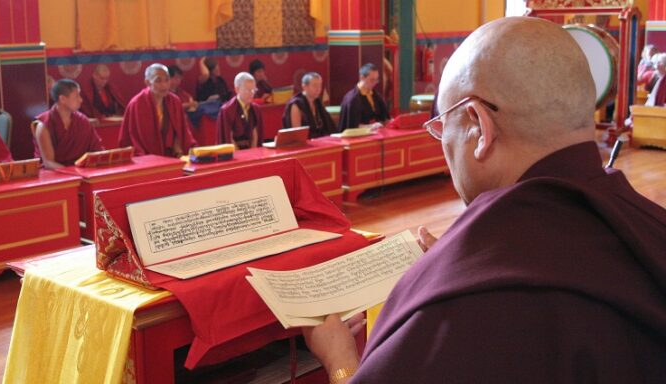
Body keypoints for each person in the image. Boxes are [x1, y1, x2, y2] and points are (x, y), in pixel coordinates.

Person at [303, 16, 666, 383]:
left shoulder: (461, 308)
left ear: (479, 127)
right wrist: (468, 262)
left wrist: (341, 361)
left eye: (443, 125)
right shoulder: (650, 226)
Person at [118, 63, 197, 157]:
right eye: (158, 81)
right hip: (146, 159)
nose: (164, 85)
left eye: (167, 80)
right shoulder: (137, 104)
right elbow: (131, 138)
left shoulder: (174, 101)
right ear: (147, 82)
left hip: (172, 156)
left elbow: (182, 130)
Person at [34, 79, 104, 169]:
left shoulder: (82, 120)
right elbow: (48, 162)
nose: (81, 100)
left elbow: (97, 150)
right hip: (55, 175)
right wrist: (72, 174)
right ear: (62, 99)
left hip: (80, 171)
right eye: (76, 96)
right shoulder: (44, 125)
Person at [216, 72, 264, 149]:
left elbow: (256, 135)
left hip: (252, 152)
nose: (252, 94)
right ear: (237, 89)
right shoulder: (227, 110)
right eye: (248, 90)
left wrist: (253, 152)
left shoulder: (256, 109)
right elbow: (228, 138)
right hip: (234, 153)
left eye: (253, 90)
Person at [337, 63, 390, 132]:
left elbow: (384, 118)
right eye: (372, 80)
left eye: (376, 80)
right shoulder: (352, 99)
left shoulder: (376, 96)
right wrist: (371, 126)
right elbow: (352, 126)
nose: (374, 83)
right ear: (362, 77)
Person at [281, 72, 336, 138]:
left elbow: (328, 125)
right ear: (304, 86)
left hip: (319, 140)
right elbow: (296, 133)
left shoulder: (317, 102)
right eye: (315, 85)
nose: (318, 89)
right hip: (304, 143)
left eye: (320, 85)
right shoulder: (296, 104)